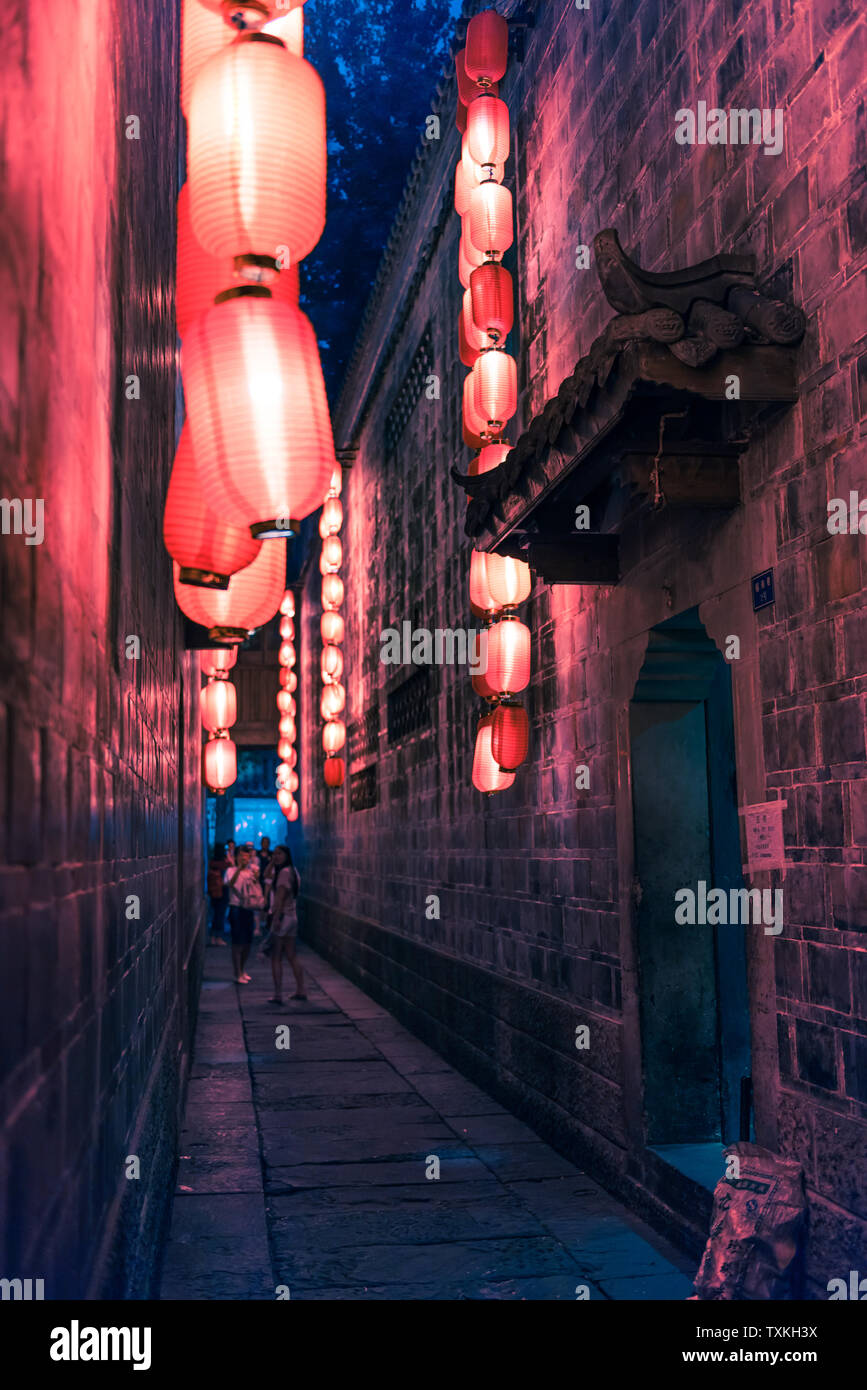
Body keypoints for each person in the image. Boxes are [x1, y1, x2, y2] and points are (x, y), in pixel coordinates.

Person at [266, 845, 306, 1004]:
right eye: (274, 854)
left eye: (279, 854)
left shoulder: (283, 873)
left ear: (286, 855)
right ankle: (301, 990)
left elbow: (279, 898)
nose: (276, 856)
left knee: (276, 957)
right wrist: (271, 862)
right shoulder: (293, 871)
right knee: (291, 955)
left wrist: (275, 918)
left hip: (282, 918)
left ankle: (277, 994)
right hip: (292, 917)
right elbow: (266, 874)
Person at [226, 846, 258, 984]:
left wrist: (255, 876)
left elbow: (256, 888)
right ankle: (237, 972)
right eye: (241, 856)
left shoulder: (252, 871)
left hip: (248, 908)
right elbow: (230, 884)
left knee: (248, 942)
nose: (244, 858)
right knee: (237, 942)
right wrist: (239, 869)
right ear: (237, 857)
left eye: (246, 856)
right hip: (236, 908)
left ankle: (243, 970)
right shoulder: (230, 870)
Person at [207, 842, 229, 946]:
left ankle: (212, 937)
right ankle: (218, 937)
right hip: (222, 891)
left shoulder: (212, 862)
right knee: (220, 915)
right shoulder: (223, 863)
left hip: (214, 892)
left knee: (216, 915)